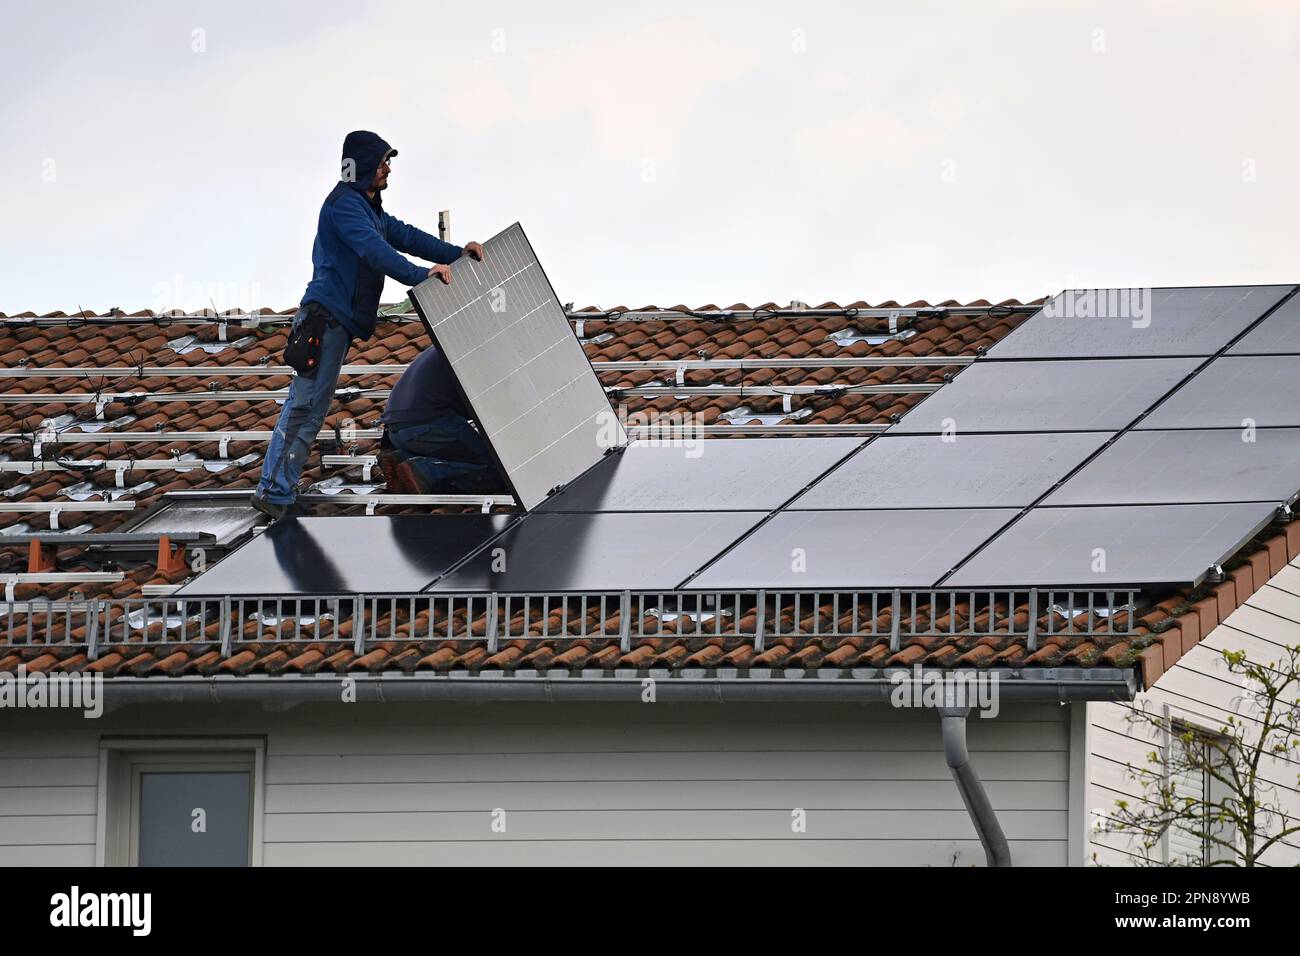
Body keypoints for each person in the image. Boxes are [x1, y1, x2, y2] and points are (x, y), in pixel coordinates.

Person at [252, 130, 483, 519]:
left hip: (335, 322)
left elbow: (404, 235)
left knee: (310, 407)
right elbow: (375, 252)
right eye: (381, 163)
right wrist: (421, 275)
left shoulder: (366, 207)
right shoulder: (344, 207)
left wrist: (456, 253)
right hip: (323, 322)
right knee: (305, 408)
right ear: (361, 168)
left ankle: (278, 488)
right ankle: (274, 491)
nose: (387, 168)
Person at [377, 345, 505, 495]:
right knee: (500, 469)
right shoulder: (480, 353)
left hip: (396, 431)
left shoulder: (447, 343)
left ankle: (403, 458)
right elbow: (497, 408)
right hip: (429, 426)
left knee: (464, 455)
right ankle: (426, 472)